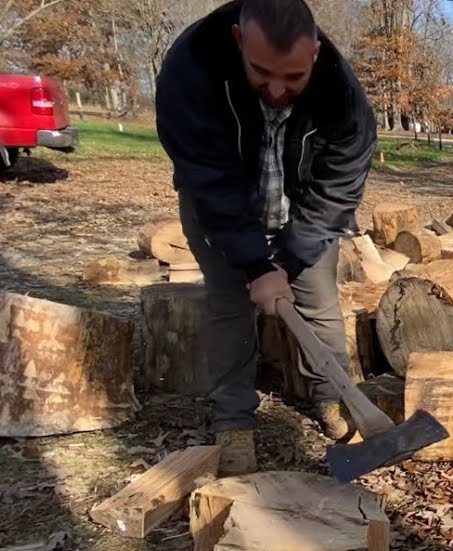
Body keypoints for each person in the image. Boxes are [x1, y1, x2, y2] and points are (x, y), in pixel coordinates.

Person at [156, 0, 377, 474]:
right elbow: (208, 181)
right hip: (221, 208)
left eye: (293, 77)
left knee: (318, 302)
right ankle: (233, 420)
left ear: (315, 53)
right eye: (261, 72)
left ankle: (336, 400)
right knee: (229, 301)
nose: (277, 89)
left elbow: (338, 189)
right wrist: (255, 266)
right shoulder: (190, 70)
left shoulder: (341, 95)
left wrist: (290, 261)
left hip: (302, 209)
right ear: (239, 39)